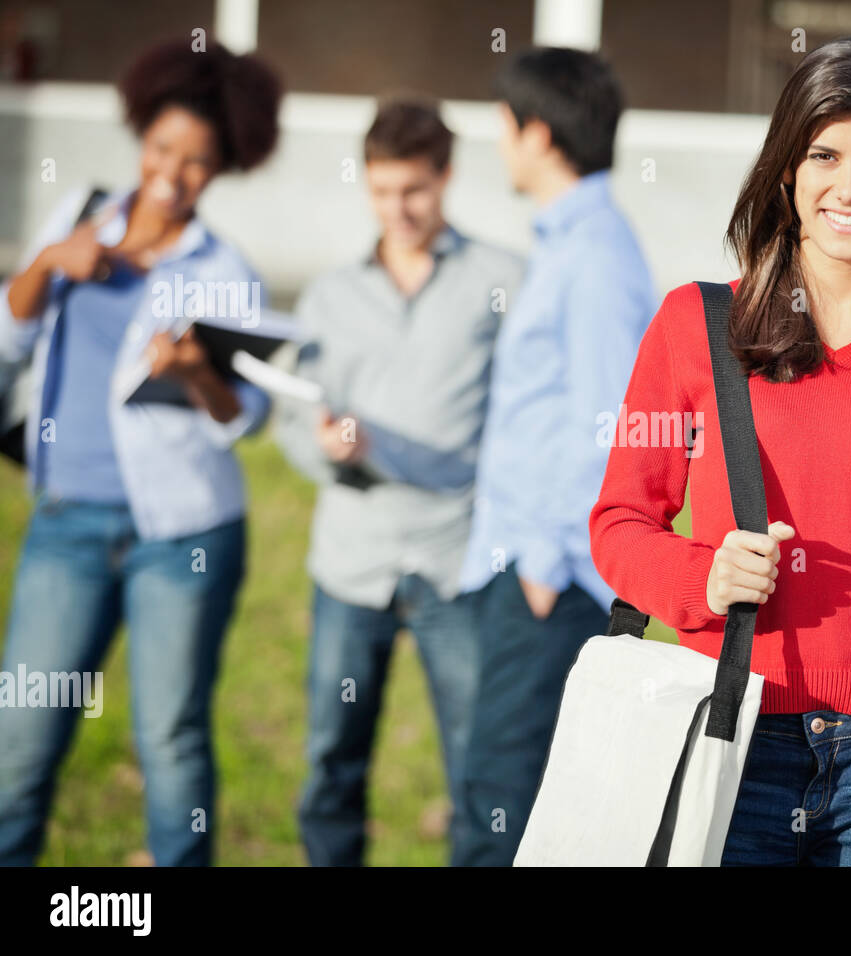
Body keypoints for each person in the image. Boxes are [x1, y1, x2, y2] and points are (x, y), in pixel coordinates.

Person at [589, 35, 851, 866]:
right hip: (733, 735)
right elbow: (617, 522)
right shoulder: (696, 328)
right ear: (787, 169)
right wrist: (702, 579)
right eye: (824, 154)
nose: (849, 188)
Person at [0, 39, 281, 865]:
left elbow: (246, 420)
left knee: (170, 739)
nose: (172, 173)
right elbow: (6, 341)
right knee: (20, 741)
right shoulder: (79, 217)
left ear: (223, 167)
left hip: (182, 538)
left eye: (197, 161)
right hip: (66, 526)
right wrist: (48, 265)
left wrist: (198, 375)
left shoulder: (225, 269)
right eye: (163, 148)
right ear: (139, 136)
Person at [274, 98, 524, 866]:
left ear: (444, 178)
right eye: (382, 191)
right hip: (353, 560)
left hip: (457, 561)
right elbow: (287, 418)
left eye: (413, 190)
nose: (398, 209)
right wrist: (326, 447)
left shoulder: (503, 281)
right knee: (329, 762)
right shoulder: (329, 295)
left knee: (479, 771)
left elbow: (530, 414)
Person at [452, 47, 657, 866]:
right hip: (528, 569)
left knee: (501, 802)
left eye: (503, 127)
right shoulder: (572, 240)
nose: (499, 145)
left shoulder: (596, 254)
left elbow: (615, 427)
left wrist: (541, 560)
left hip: (551, 579)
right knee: (499, 792)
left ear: (537, 134)